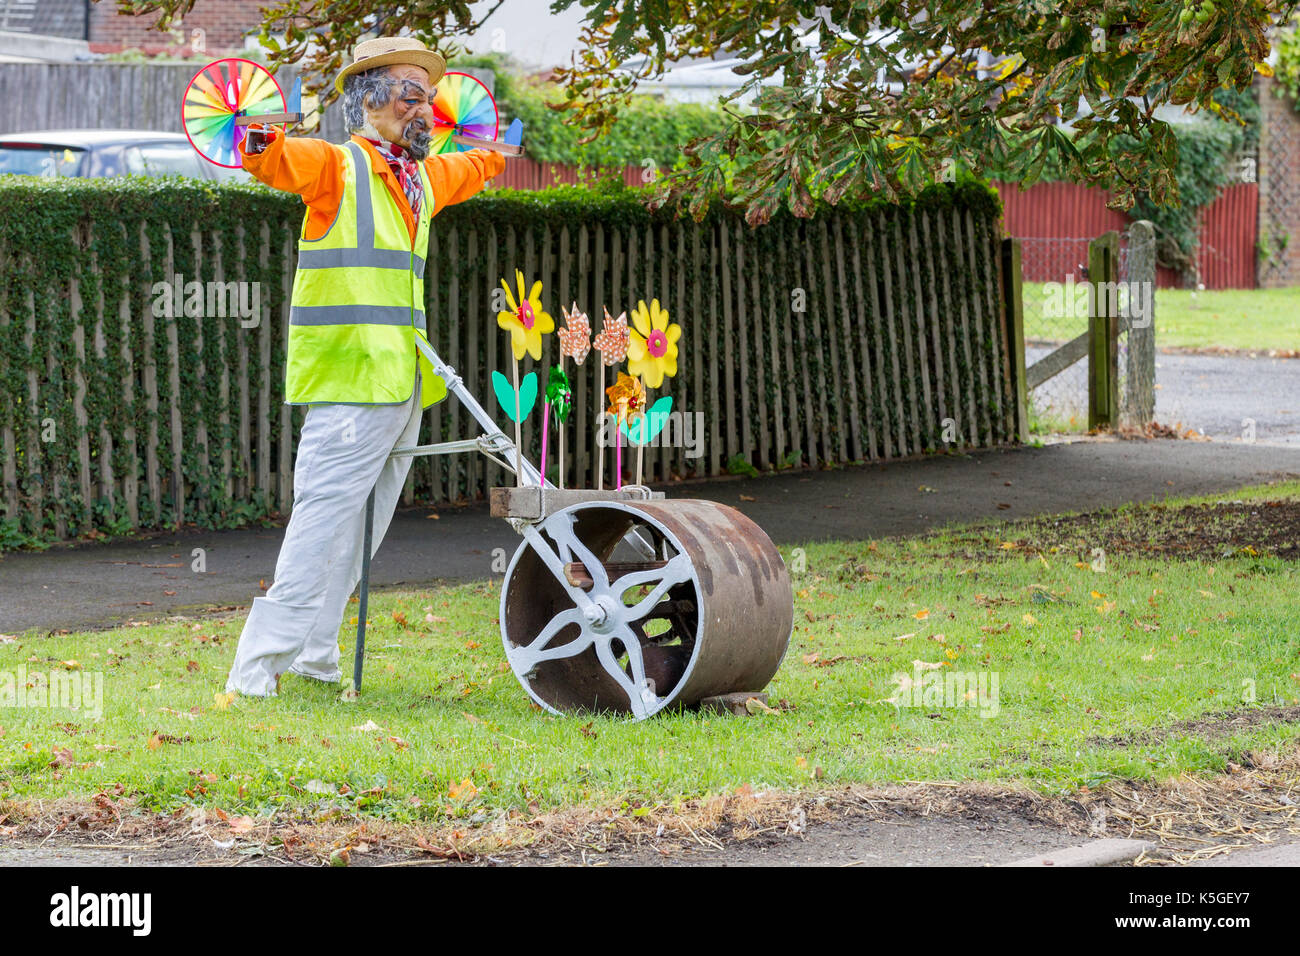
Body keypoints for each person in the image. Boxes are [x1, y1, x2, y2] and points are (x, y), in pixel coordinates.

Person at [225, 36, 506, 697]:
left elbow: (478, 164)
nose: (427, 111)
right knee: (322, 520)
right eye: (413, 96)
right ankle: (255, 669)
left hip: (403, 382)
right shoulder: (334, 167)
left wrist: (493, 147)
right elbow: (271, 161)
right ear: (370, 102)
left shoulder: (423, 180)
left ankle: (317, 655)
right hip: (350, 382)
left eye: (431, 100)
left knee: (362, 529)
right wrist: (261, 137)